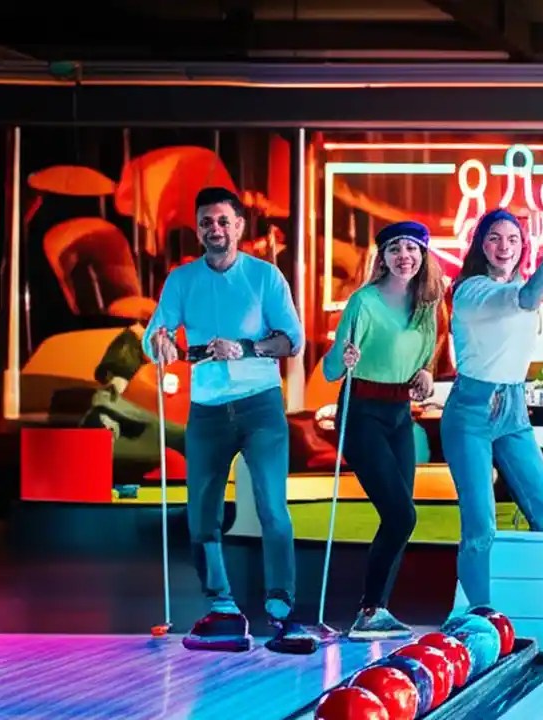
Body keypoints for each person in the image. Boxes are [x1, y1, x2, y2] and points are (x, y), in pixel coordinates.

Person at [143, 186, 315, 654]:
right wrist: (157, 343)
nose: (214, 229)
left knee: (272, 508)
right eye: (206, 222)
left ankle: (282, 611)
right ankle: (221, 607)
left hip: (260, 405)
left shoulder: (265, 277)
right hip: (208, 409)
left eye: (223, 221)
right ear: (197, 229)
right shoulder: (181, 280)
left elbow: (292, 341)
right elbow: (155, 334)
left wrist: (246, 348)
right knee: (202, 513)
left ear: (239, 226)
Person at [443, 206, 543, 610]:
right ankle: (479, 617)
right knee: (480, 527)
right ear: (480, 246)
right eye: (494, 238)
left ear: (523, 245)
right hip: (471, 411)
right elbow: (526, 299)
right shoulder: (471, 290)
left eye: (512, 239)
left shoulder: (525, 280)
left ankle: (541, 607)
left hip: (514, 410)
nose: (504, 247)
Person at [322, 220, 444, 639]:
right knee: (401, 513)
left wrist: (425, 374)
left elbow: (422, 361)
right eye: (395, 249)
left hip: (398, 414)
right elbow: (330, 369)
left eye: (411, 248)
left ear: (423, 255)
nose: (404, 256)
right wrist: (345, 355)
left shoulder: (428, 304)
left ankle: (376, 610)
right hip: (361, 413)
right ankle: (370, 609)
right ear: (383, 257)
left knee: (398, 518)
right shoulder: (364, 302)